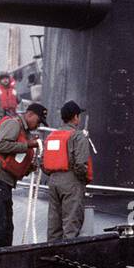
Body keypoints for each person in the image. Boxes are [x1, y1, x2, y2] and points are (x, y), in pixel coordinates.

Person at [0, 101, 46, 250]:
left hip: (4, 181)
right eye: (38, 121)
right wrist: (28, 145)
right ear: (29, 114)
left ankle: (2, 261)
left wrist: (30, 168)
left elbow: (15, 159)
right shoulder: (14, 125)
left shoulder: (24, 132)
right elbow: (0, 145)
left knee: (7, 227)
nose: (38, 126)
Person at [42, 100, 93, 241]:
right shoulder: (78, 136)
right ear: (76, 117)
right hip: (71, 182)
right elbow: (81, 164)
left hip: (53, 182)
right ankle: (66, 258)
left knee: (54, 225)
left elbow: (42, 162)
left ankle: (51, 255)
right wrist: (81, 180)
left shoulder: (51, 136)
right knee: (71, 225)